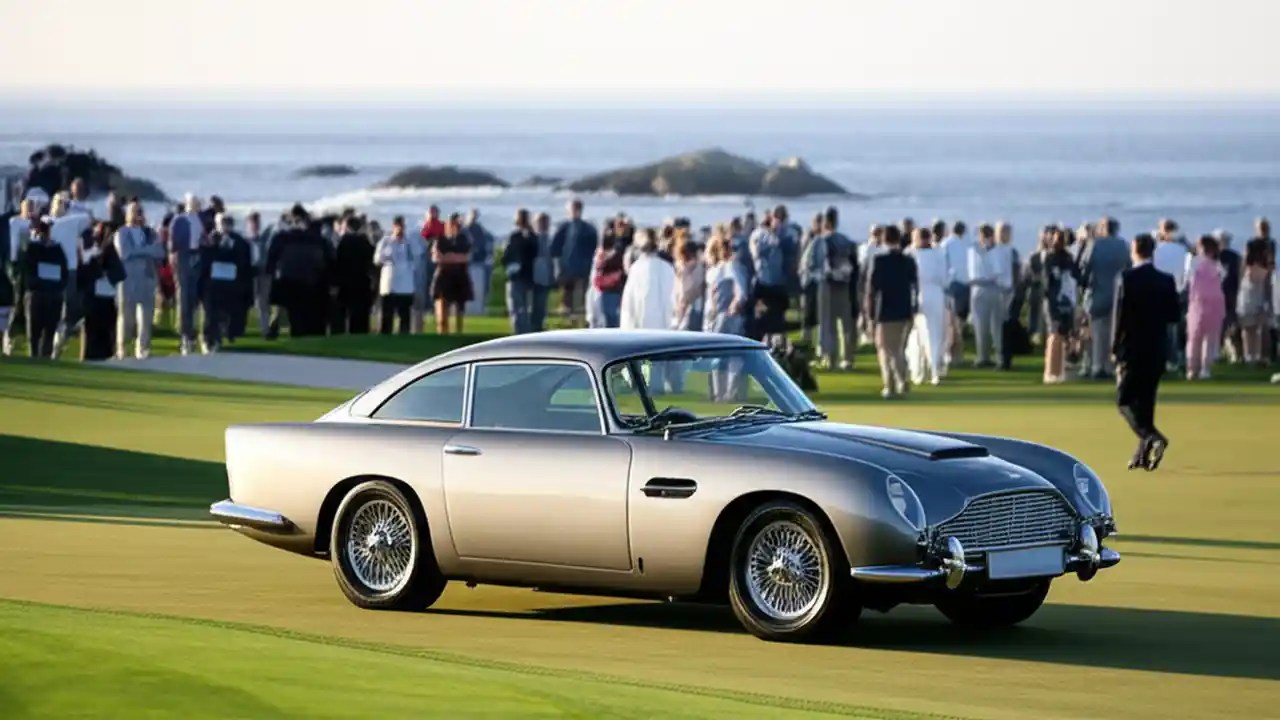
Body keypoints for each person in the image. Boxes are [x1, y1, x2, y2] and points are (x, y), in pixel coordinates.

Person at [1113, 233, 1180, 470]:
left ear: (1135, 251)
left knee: (1123, 400)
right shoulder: (1166, 280)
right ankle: (1142, 455)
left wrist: (1115, 347)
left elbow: (1120, 317)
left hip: (1133, 348)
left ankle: (1152, 436)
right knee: (1146, 401)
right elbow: (1174, 316)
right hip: (1157, 347)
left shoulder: (1127, 278)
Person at [868, 225, 918, 398]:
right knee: (896, 348)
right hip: (904, 309)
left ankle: (894, 383)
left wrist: (870, 314)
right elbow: (914, 286)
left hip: (886, 310)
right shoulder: (908, 261)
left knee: (887, 348)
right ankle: (896, 382)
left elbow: (872, 290)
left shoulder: (880, 261)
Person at [268, 205, 333, 337]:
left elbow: (271, 261)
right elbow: (329, 262)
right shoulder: (318, 239)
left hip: (291, 281)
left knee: (295, 316)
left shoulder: (282, 238)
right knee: (308, 317)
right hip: (311, 282)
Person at [1078, 216, 1130, 379]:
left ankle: (1097, 365)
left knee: (1097, 332)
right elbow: (1129, 267)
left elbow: (1084, 267)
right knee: (1113, 331)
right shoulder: (1123, 245)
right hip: (1118, 294)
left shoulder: (1095, 244)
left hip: (1098, 293)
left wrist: (1083, 286)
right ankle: (1109, 365)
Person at [703, 231, 751, 401]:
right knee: (721, 355)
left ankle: (728, 392)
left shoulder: (729, 267)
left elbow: (741, 290)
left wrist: (735, 304)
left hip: (725, 314)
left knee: (726, 354)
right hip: (717, 315)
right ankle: (721, 392)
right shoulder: (719, 269)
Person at [113, 201, 164, 359]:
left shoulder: (149, 233)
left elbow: (160, 252)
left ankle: (143, 348)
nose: (138, 214)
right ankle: (122, 348)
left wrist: (140, 251)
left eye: (140, 211)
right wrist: (147, 251)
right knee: (126, 315)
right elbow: (124, 253)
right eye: (134, 211)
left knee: (146, 315)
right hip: (128, 278)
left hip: (147, 277)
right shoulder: (122, 232)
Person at [198, 214, 253, 353]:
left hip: (230, 285)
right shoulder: (210, 239)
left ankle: (222, 336)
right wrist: (216, 247)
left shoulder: (239, 241)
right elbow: (205, 260)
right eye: (223, 224)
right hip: (212, 285)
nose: (226, 227)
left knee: (226, 314)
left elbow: (244, 262)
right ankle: (209, 341)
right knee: (211, 314)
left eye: (228, 224)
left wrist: (232, 249)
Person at [812, 209, 857, 370]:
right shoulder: (846, 241)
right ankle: (848, 358)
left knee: (828, 322)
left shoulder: (821, 241)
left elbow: (815, 264)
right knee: (846, 323)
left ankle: (831, 358)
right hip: (844, 284)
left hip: (827, 284)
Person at [48, 192, 92, 357]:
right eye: (58, 202)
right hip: (51, 269)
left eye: (64, 203)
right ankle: (51, 344)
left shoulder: (73, 221)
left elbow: (88, 218)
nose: (61, 205)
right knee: (52, 308)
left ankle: (58, 343)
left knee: (68, 309)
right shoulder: (46, 221)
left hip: (69, 269)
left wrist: (72, 204)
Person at [77, 221, 124, 361]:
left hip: (107, 298)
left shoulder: (110, 251)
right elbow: (84, 271)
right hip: (92, 299)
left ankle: (105, 357)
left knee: (106, 334)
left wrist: (106, 273)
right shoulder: (87, 248)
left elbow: (120, 273)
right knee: (91, 333)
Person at [22, 219, 68, 359]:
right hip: (37, 293)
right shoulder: (32, 248)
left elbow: (63, 272)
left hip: (53, 294)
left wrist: (58, 287)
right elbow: (28, 270)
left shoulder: (57, 249)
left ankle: (46, 357)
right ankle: (34, 356)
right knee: (34, 331)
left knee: (50, 330)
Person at [907, 226, 946, 385]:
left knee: (927, 334)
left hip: (925, 293)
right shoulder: (937, 253)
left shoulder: (910, 253)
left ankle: (928, 370)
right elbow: (944, 278)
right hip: (930, 294)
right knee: (924, 334)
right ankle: (926, 370)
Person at [550, 198, 598, 325]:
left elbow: (594, 247)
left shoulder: (588, 229)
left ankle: (582, 319)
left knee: (583, 295)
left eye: (577, 209)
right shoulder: (563, 227)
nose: (575, 211)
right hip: (567, 267)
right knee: (567, 296)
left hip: (583, 268)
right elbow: (555, 248)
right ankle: (567, 319)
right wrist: (557, 266)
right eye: (573, 209)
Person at [1185, 234, 1227, 380]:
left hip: (1199, 302)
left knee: (1196, 337)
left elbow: (1186, 278)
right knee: (1207, 338)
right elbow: (1223, 277)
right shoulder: (1216, 264)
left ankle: (1194, 368)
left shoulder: (1195, 262)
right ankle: (1203, 369)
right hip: (1211, 302)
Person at [1041, 228, 1080, 384]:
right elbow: (1046, 282)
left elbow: (1076, 276)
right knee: (1054, 335)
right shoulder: (1049, 258)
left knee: (1064, 335)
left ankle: (1059, 371)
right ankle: (1050, 371)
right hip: (1053, 300)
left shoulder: (1069, 258)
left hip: (1067, 300)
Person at [169, 195, 206, 354]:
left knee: (193, 296)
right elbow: (173, 243)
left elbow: (201, 238)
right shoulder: (180, 219)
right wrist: (174, 256)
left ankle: (191, 332)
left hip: (196, 255)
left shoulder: (199, 219)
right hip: (183, 256)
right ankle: (185, 333)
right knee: (184, 296)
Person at [967, 223, 1006, 367]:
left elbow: (998, 271)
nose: (983, 238)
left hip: (993, 287)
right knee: (980, 325)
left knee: (996, 326)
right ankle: (983, 357)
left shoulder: (997, 250)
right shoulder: (974, 249)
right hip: (977, 288)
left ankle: (1000, 357)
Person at [1153, 223, 1190, 370]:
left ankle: (1163, 357)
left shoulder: (1157, 249)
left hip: (1158, 289)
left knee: (1159, 327)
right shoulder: (1182, 249)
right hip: (1177, 290)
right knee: (1175, 327)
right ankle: (1176, 358)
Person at [749, 214, 789, 345]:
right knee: (771, 316)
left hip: (765, 281)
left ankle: (766, 341)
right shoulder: (764, 235)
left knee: (765, 315)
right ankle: (772, 342)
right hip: (768, 281)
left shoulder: (756, 235)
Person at [4, 198, 37, 355]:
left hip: (29, 264)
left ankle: (21, 336)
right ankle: (9, 336)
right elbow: (13, 244)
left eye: (31, 208)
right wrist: (12, 265)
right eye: (27, 207)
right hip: (17, 264)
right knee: (17, 299)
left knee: (25, 300)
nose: (29, 211)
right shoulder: (15, 222)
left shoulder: (35, 224)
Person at [432, 214, 473, 334]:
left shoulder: (463, 240)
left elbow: (466, 257)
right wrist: (455, 257)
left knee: (459, 312)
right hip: (443, 278)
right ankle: (442, 334)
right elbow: (437, 257)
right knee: (442, 312)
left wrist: (448, 257)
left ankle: (458, 334)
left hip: (460, 278)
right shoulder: (440, 240)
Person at [1239, 223, 1274, 365]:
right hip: (1258, 298)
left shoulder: (1248, 268)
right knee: (1258, 328)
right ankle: (1258, 355)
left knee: (1249, 328)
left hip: (1248, 298)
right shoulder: (1263, 270)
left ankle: (1250, 355)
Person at [375, 216, 417, 335]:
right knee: (387, 314)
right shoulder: (386, 241)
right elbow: (377, 259)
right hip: (390, 283)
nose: (400, 229)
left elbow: (416, 257)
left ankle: (404, 334)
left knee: (404, 315)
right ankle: (385, 335)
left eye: (402, 226)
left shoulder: (409, 242)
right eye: (398, 226)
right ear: (393, 227)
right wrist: (388, 255)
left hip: (406, 284)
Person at [333, 216, 374, 334]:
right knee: (361, 313)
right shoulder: (365, 242)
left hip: (345, 281)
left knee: (343, 312)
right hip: (362, 281)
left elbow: (337, 261)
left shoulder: (343, 242)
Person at [501, 209, 539, 335]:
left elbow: (505, 257)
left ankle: (520, 333)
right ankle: (525, 332)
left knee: (517, 309)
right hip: (527, 277)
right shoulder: (532, 237)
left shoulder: (515, 237)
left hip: (518, 277)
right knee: (524, 309)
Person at [941, 220, 973, 366]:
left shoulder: (947, 243)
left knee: (954, 321)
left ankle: (954, 354)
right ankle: (955, 353)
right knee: (957, 321)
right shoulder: (966, 242)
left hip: (956, 284)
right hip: (962, 284)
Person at [414, 205, 445, 333]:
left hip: (436, 258)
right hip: (426, 258)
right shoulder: (425, 226)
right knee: (425, 283)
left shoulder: (441, 226)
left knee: (436, 284)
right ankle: (427, 307)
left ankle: (434, 307)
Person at [1214, 229, 1243, 363]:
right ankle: (1234, 353)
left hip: (1219, 294)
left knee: (1220, 325)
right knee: (1231, 325)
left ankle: (1218, 351)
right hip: (1231, 293)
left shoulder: (1213, 257)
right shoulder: (1236, 256)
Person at [672, 227, 705, 333]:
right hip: (694, 307)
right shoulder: (699, 267)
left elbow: (685, 293)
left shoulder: (686, 269)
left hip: (687, 310)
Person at [592, 230, 627, 328]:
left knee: (609, 315)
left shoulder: (613, 255)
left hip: (611, 289)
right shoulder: (605, 254)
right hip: (607, 288)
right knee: (608, 315)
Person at [463, 209, 494, 316]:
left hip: (479, 262)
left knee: (483, 284)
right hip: (467, 262)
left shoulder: (480, 230)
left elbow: (487, 241)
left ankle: (481, 305)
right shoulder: (464, 230)